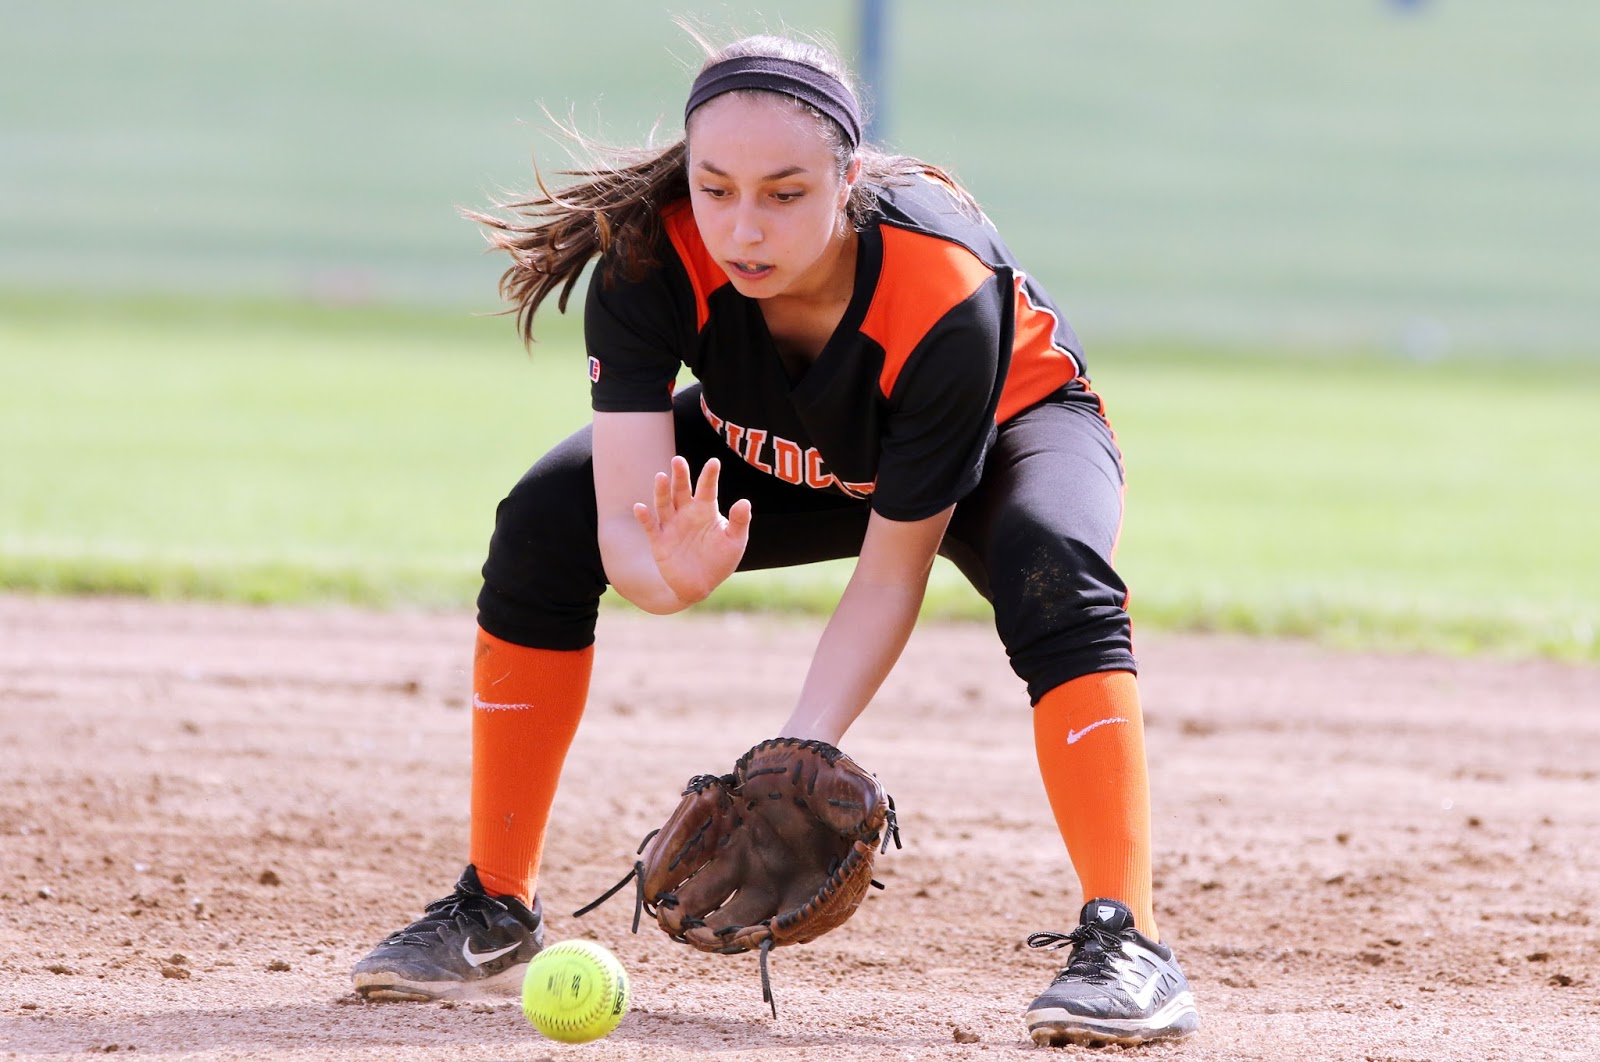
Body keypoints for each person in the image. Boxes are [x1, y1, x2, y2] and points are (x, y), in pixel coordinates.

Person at [351, 30, 1199, 1048]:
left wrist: (797, 749)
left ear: (847, 178)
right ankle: (494, 906)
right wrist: (666, 577)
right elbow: (627, 527)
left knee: (1051, 572)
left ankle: (1128, 941)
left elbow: (893, 576)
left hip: (1007, 429)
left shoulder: (939, 289)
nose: (742, 228)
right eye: (716, 189)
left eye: (785, 193)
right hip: (792, 445)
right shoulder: (647, 253)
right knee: (541, 522)